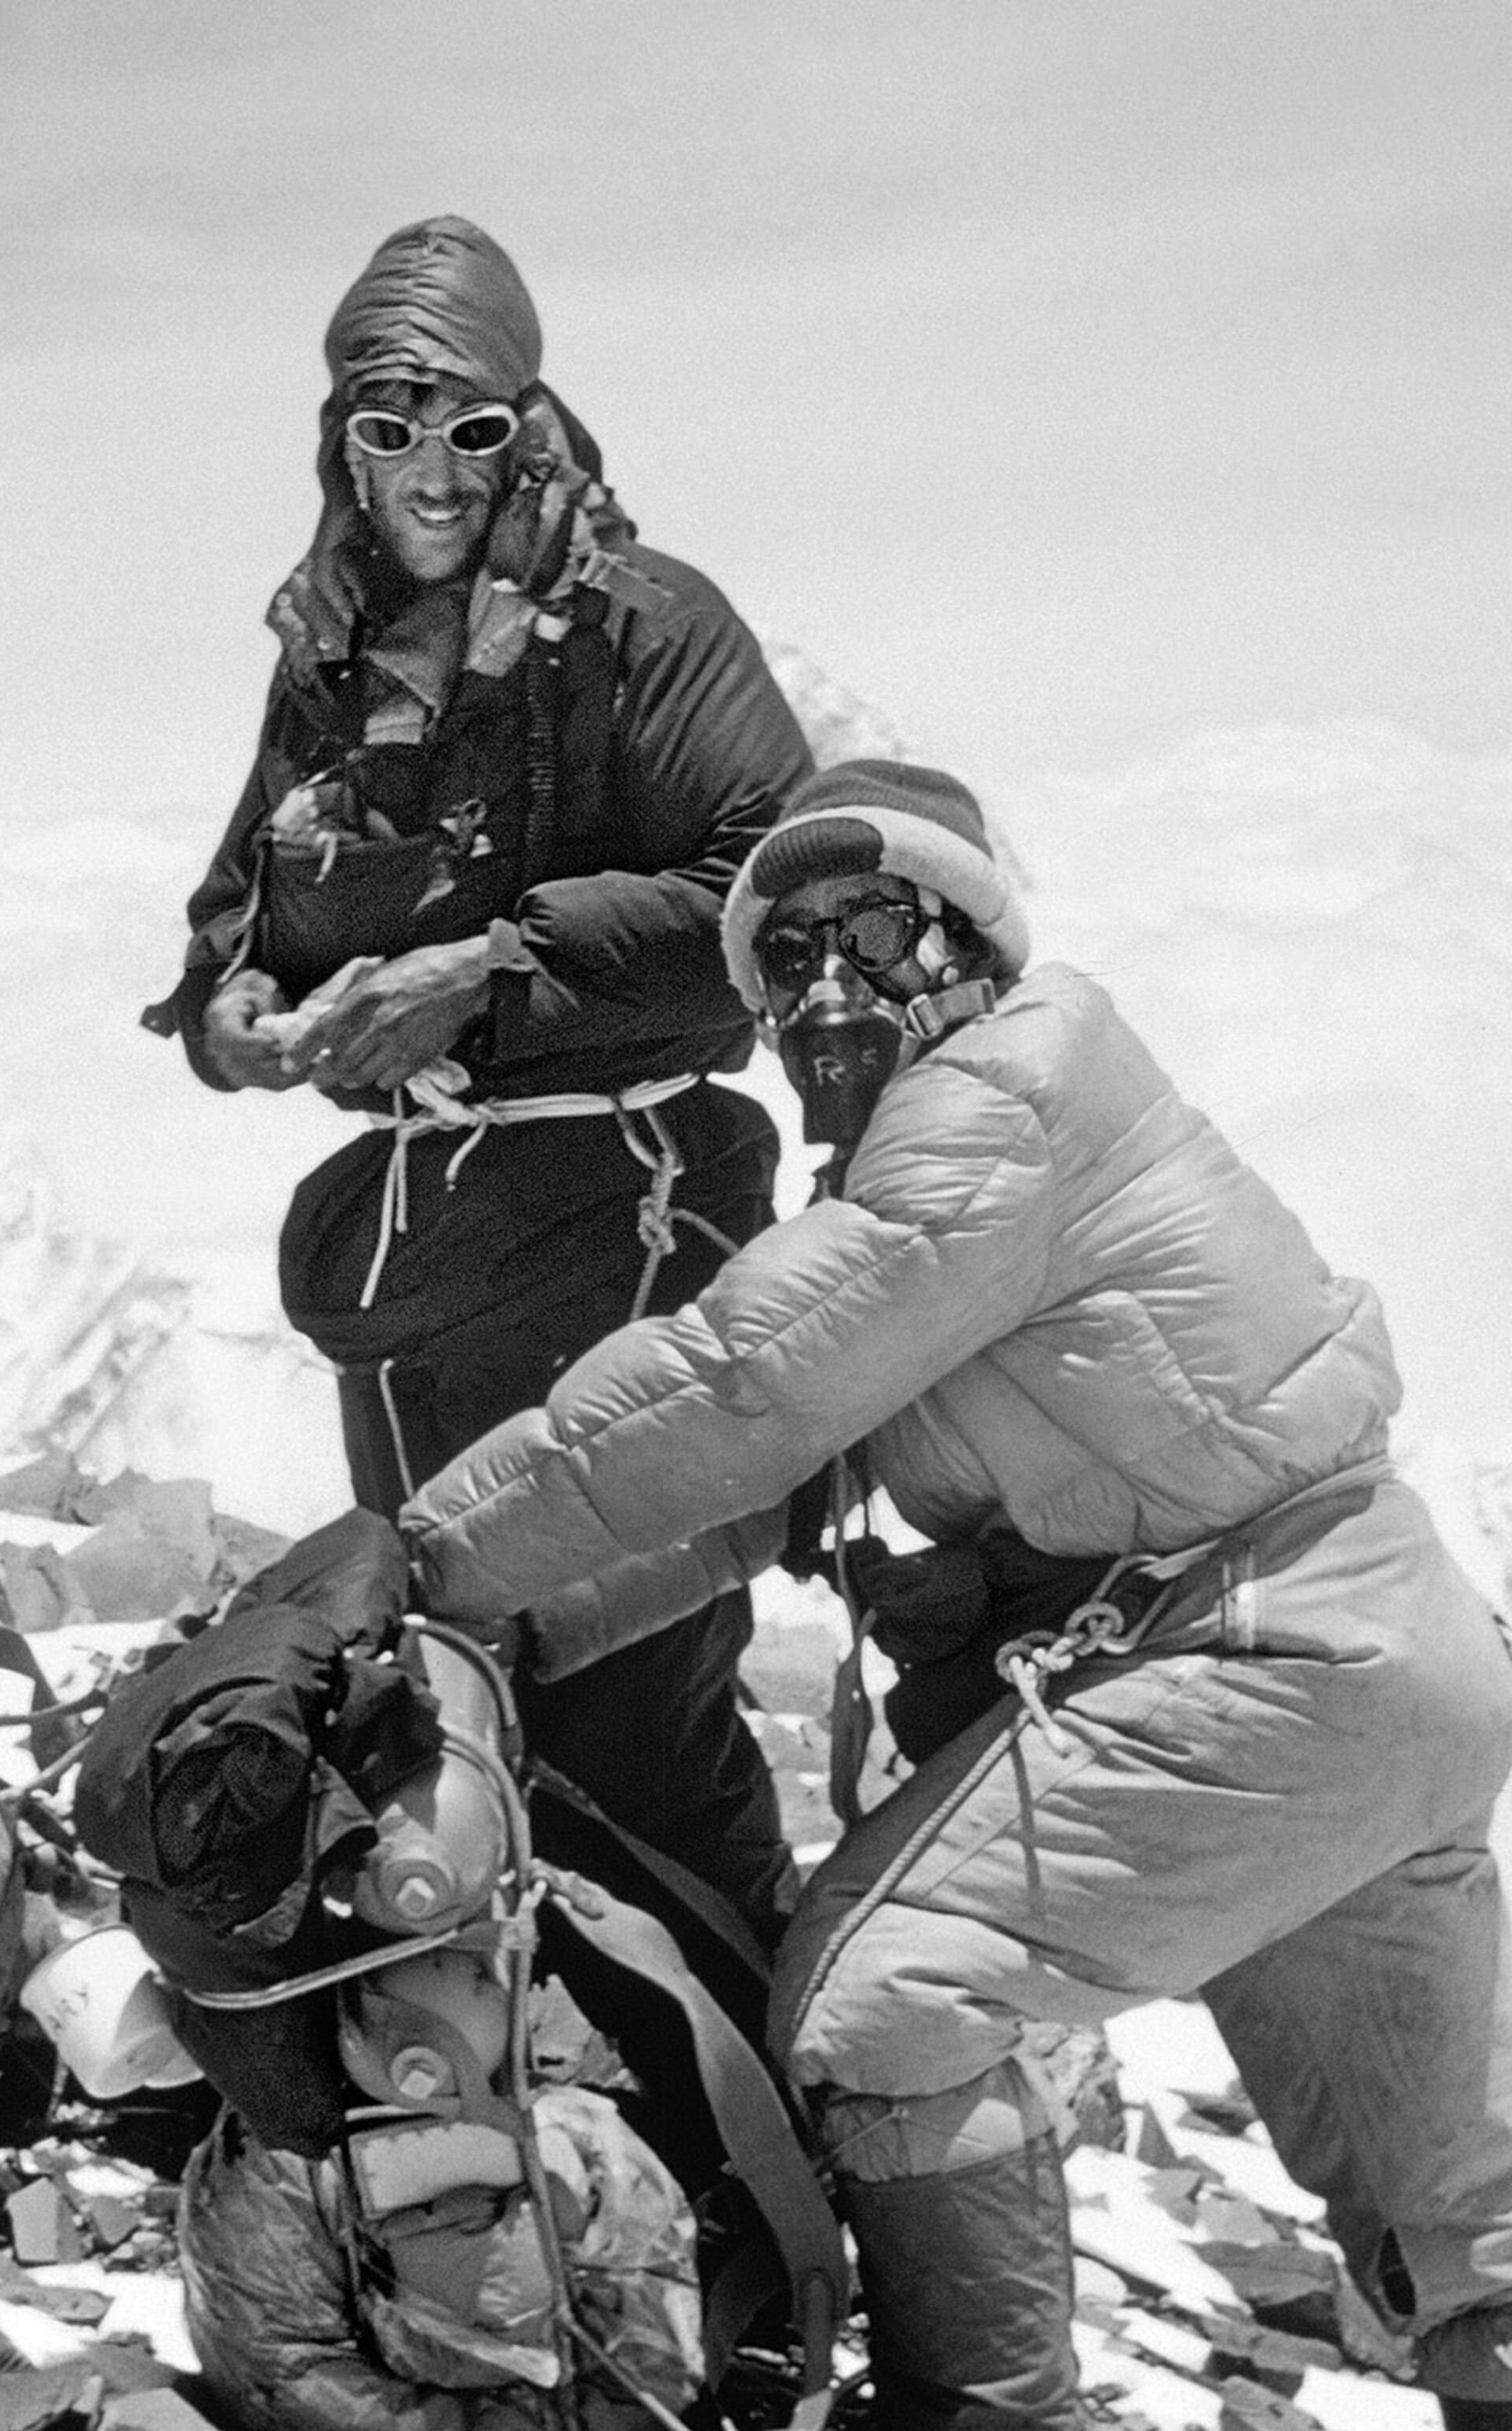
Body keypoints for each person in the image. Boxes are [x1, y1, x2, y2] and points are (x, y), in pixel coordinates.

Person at [400, 758, 1512, 2429]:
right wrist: (500, 1620)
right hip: (1379, 1667)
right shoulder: (958, 1165)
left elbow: (733, 1390)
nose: (832, 985)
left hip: (1269, 1661)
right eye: (789, 958)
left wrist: (412, 1558)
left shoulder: (997, 1107)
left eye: (878, 931)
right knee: (1463, 2236)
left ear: (974, 943)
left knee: (882, 2003)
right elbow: (766, 1488)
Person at [146, 215, 813, 1946]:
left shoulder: (648, 628)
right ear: (339, 447)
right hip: (423, 1263)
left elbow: (772, 883)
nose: (432, 474)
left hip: (631, 1227)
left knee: (632, 1702)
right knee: (443, 1680)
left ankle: (761, 2149)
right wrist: (234, 1019)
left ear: (535, 422)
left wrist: (489, 969)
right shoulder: (329, 652)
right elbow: (239, 913)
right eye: (389, 430)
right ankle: (559, 2133)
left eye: (472, 429)